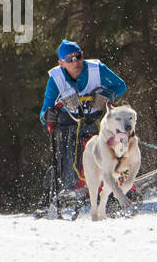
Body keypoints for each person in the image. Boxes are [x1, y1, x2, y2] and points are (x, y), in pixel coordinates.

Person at [40, 40, 128, 192]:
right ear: (61, 63)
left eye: (78, 57)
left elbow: (120, 86)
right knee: (69, 151)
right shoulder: (55, 78)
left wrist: (106, 95)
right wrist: (48, 116)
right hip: (69, 121)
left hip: (97, 118)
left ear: (83, 56)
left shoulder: (97, 69)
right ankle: (65, 186)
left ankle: (119, 180)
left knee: (116, 139)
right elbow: (44, 112)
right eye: (70, 59)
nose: (75, 62)